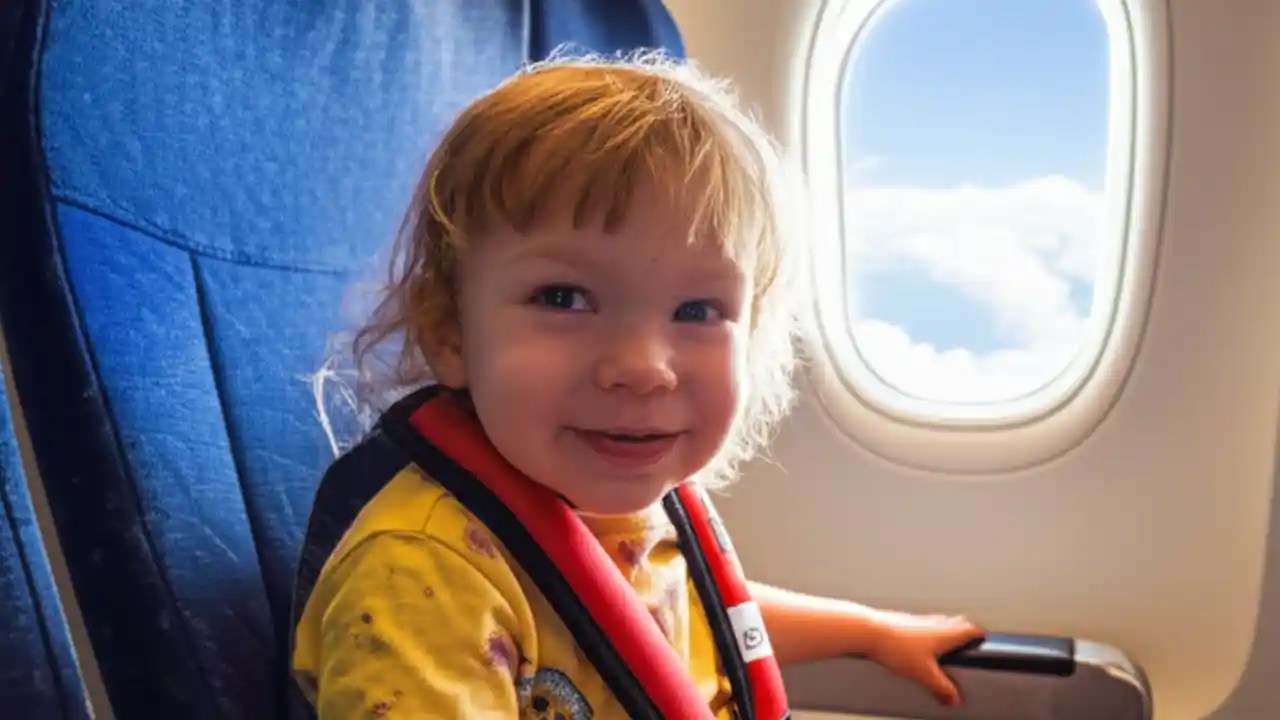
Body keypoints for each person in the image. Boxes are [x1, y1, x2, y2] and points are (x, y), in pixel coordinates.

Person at [291, 51, 985, 719]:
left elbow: (686, 614)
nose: (644, 366)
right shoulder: (423, 576)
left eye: (697, 312)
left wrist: (869, 632)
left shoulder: (627, 512)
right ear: (451, 336)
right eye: (564, 298)